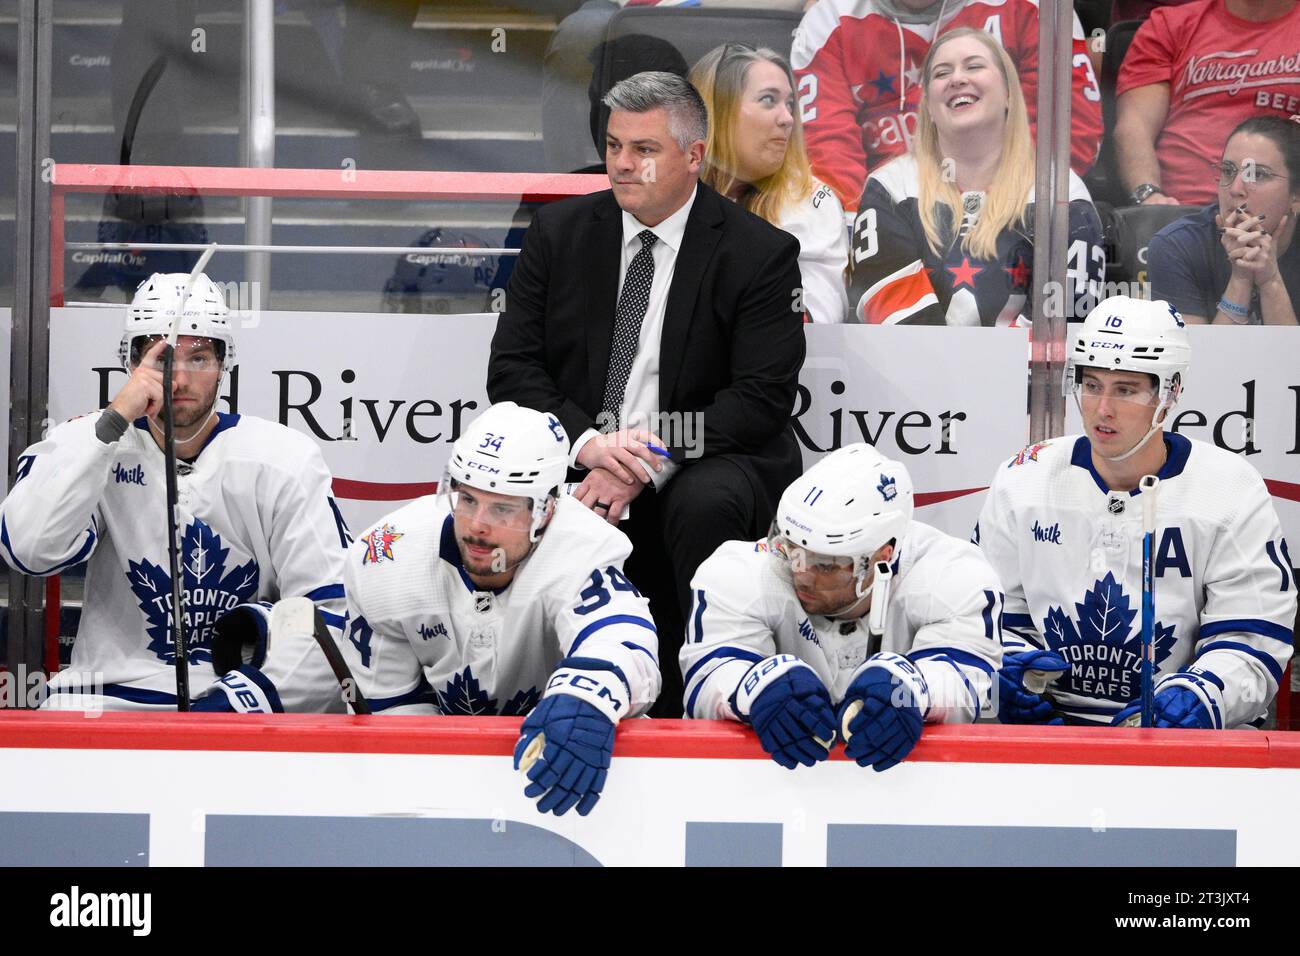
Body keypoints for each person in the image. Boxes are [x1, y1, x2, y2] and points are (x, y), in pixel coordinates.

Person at [487, 71, 806, 717]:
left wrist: (645, 456)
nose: (623, 165)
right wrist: (593, 446)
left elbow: (760, 399)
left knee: (705, 500)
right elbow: (513, 370)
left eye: (644, 149)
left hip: (705, 453)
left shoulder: (759, 253)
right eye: (613, 146)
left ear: (694, 156)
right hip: (585, 444)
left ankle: (707, 695)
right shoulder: (559, 233)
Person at [0, 273, 352, 712]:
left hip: (236, 706)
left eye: (200, 358)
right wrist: (111, 424)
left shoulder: (284, 459)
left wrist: (231, 709)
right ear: (130, 365)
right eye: (161, 360)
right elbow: (30, 549)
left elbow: (330, 616)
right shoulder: (91, 446)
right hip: (105, 702)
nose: (180, 379)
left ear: (224, 365)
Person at [975, 295, 1296, 728]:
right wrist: (1007, 668)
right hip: (1049, 735)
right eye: (1092, 386)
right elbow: (988, 607)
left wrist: (1200, 699)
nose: (1102, 409)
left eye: (1125, 389)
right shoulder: (1025, 478)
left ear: (1170, 392)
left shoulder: (1229, 489)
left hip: (1185, 751)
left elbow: (1251, 632)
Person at [338, 402, 660, 817]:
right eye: (467, 499)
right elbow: (391, 720)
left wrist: (587, 695)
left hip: (561, 760)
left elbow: (623, 638)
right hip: (441, 774)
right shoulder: (385, 556)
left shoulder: (583, 544)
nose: (476, 526)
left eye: (503, 508)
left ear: (548, 510)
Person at [681, 443, 1002, 771]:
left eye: (825, 564)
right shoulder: (738, 571)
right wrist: (756, 686)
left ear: (882, 557)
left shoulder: (954, 576)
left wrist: (914, 687)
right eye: (791, 549)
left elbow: (973, 681)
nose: (801, 575)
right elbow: (708, 674)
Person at [848, 28, 1104, 326]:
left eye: (974, 66)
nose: (957, 79)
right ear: (928, 106)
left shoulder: (1061, 190)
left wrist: (991, 369)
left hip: (1021, 373)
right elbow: (896, 320)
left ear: (1008, 93)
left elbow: (1063, 325)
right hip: (914, 370)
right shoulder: (891, 188)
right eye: (942, 73)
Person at [791, 0, 1103, 211]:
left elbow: (1071, 134)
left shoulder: (1035, 7)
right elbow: (827, 154)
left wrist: (987, 209)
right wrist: (877, 226)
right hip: (883, 218)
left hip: (1014, 209)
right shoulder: (828, 20)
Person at [690, 43, 850, 323]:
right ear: (716, 109)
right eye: (768, 100)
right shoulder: (661, 195)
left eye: (790, 104)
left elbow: (814, 319)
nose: (787, 118)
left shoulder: (810, 201)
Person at [1114, 0, 1300, 208]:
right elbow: (1135, 127)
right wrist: (1149, 195)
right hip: (1178, 212)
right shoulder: (1169, 25)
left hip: (1281, 215)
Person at [1148, 115, 1300, 325]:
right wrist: (1241, 278)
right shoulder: (1177, 246)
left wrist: (1270, 281)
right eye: (1228, 171)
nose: (1235, 189)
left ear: (1296, 195)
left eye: (1257, 174)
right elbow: (1202, 358)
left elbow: (1291, 358)